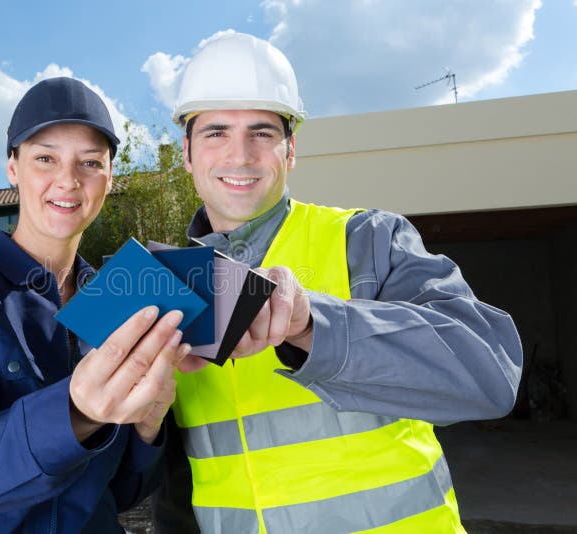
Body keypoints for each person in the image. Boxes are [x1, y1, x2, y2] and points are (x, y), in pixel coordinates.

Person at [153, 33, 523, 533]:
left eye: (261, 132)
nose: (239, 155)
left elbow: (490, 377)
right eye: (216, 132)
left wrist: (313, 326)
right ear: (187, 153)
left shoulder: (367, 239)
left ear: (291, 150)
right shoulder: (164, 283)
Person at [0, 77, 192, 532]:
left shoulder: (123, 297)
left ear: (109, 178)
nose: (68, 180)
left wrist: (148, 425)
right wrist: (76, 412)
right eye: (45, 158)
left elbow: (120, 493)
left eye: (90, 162)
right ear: (12, 167)